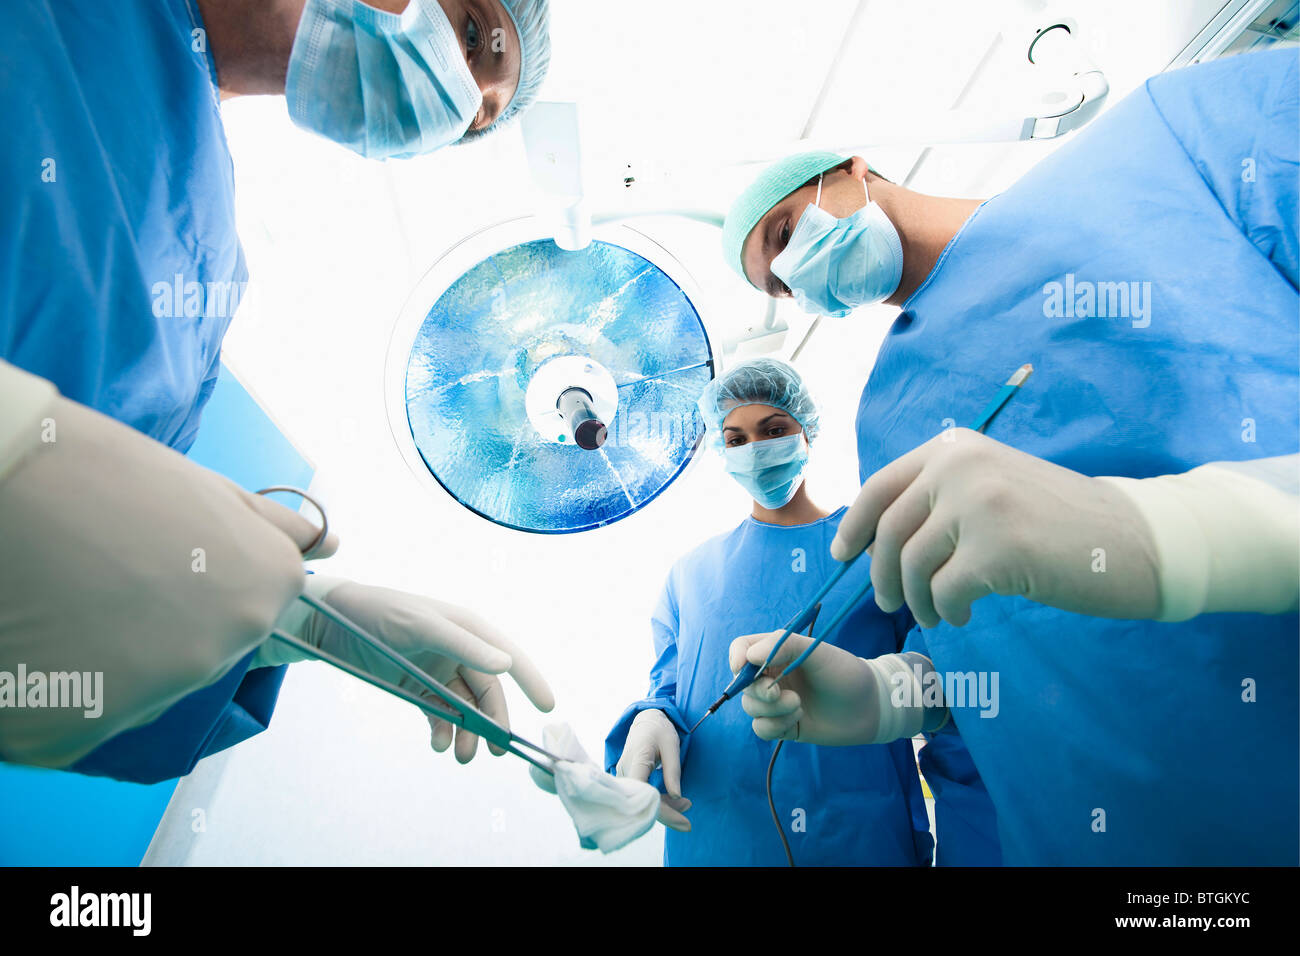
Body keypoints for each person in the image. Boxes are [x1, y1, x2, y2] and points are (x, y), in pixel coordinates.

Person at [723, 48, 1299, 864]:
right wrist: (899, 695)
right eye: (777, 285)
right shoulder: (885, 417)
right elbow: (993, 642)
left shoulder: (1171, 143)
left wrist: (1168, 536)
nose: (791, 272)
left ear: (851, 172)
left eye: (785, 235)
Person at [0, 0, 553, 779]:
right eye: (470, 35)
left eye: (474, 117)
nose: (459, 96)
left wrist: (280, 629)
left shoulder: (210, 274)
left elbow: (65, 610)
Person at [604, 358, 934, 866]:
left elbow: (940, 692)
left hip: (857, 835)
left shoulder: (876, 550)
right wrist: (651, 719)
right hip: (716, 835)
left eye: (774, 429)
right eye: (735, 439)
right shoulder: (691, 575)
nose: (755, 450)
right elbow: (668, 691)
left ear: (808, 432)